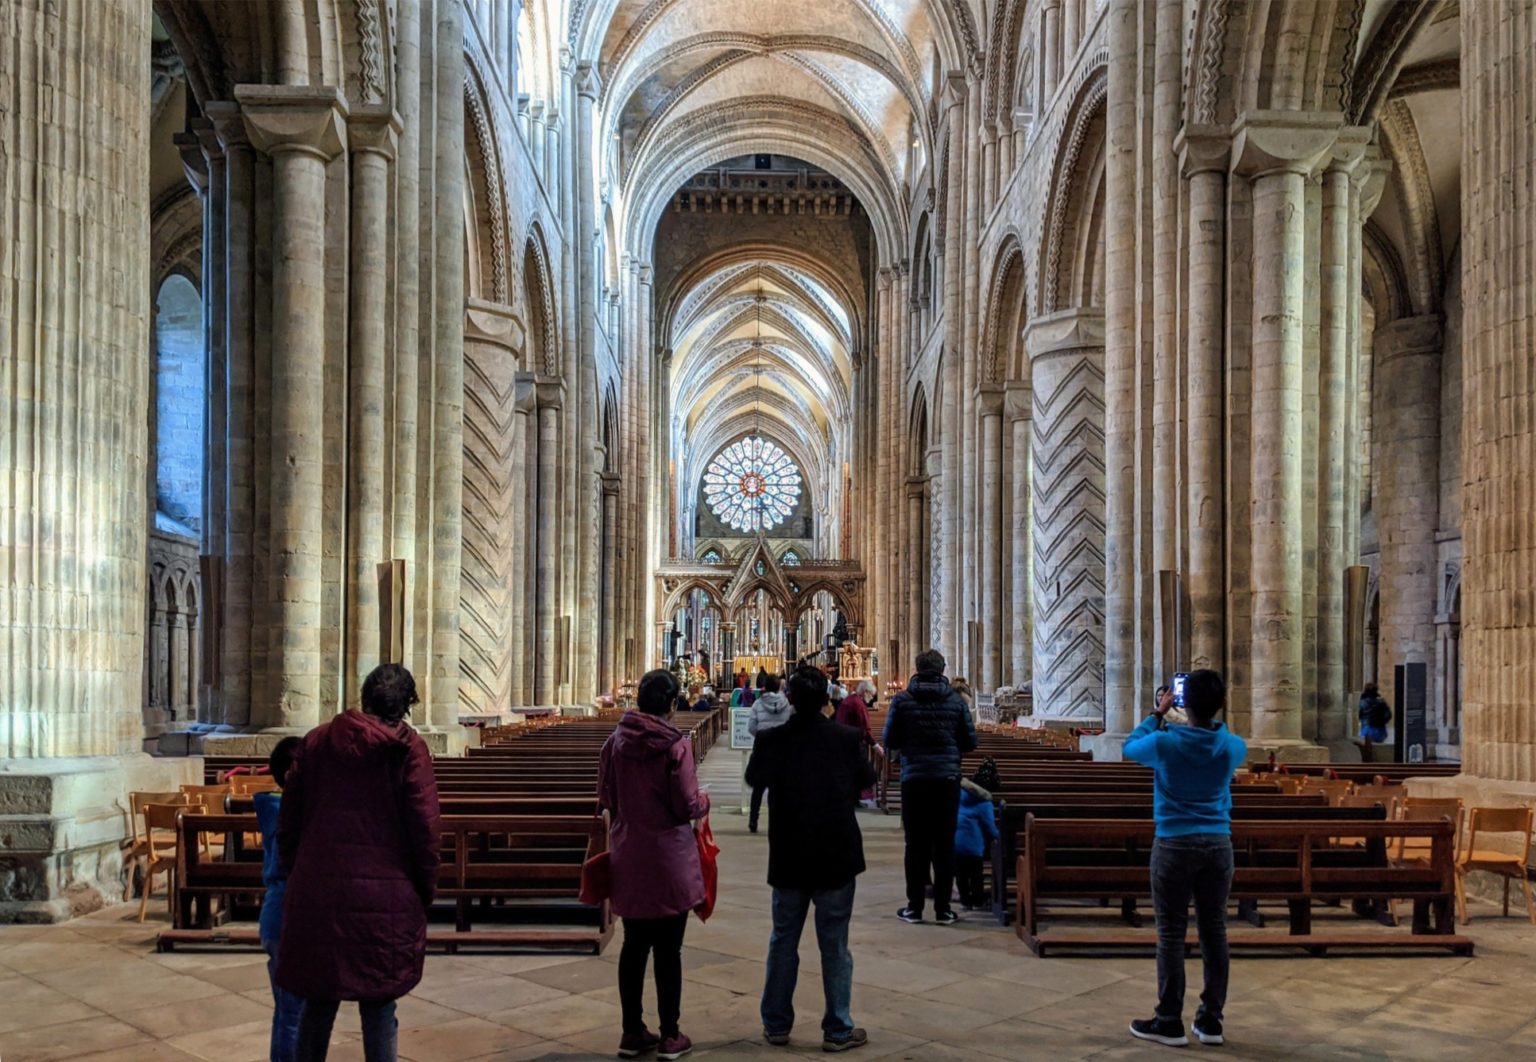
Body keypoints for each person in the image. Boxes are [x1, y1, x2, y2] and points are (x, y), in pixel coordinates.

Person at [277, 664, 441, 1062]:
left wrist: (296, 872)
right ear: (407, 705)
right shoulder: (408, 750)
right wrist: (426, 887)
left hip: (319, 891)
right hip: (387, 894)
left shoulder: (317, 741)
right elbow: (425, 828)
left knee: (319, 1001)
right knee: (380, 1004)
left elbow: (290, 818)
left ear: (364, 696)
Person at [746, 665, 876, 1052]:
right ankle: (837, 1028)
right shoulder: (845, 738)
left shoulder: (772, 741)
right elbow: (867, 779)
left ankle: (777, 1024)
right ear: (826, 700)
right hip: (836, 853)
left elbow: (755, 778)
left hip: (789, 852)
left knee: (783, 939)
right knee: (835, 944)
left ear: (789, 698)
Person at [1122, 670, 1247, 1049]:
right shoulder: (1232, 746)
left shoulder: (1165, 742)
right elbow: (1220, 739)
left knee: (1171, 933)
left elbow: (1130, 747)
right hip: (1217, 843)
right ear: (1220, 704)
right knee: (1215, 932)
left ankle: (1169, 1020)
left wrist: (1156, 713)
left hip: (1175, 843)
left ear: (1182, 703)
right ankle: (1211, 1021)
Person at [599, 668, 710, 1061]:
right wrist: (704, 803)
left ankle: (631, 1032)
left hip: (630, 852)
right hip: (667, 858)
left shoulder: (614, 743)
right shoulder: (675, 746)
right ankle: (670, 1035)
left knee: (633, 945)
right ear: (673, 704)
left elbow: (605, 795)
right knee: (669, 950)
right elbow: (687, 804)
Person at [881, 649, 978, 925]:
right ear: (942, 669)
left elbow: (889, 739)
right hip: (946, 780)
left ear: (917, 668)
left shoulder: (902, 701)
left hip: (914, 779)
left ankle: (915, 907)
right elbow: (970, 742)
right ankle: (943, 909)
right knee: (944, 845)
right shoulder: (956, 703)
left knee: (915, 844)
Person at [255, 737, 303, 1062]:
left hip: (276, 917)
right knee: (293, 1016)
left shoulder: (276, 808)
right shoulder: (289, 812)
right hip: (288, 918)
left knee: (286, 1011)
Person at [747, 674, 792, 833]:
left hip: (763, 748)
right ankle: (778, 821)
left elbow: (751, 726)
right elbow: (790, 723)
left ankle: (753, 820)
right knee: (779, 788)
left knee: (758, 788)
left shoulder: (758, 703)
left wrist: (762, 734)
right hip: (781, 749)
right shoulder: (786, 703)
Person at [954, 758, 1000, 912]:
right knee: (975, 873)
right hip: (974, 844)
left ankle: (965, 899)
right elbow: (989, 826)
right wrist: (997, 837)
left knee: (960, 873)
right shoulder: (984, 801)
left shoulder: (960, 792)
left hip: (955, 838)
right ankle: (978, 899)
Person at [835, 681, 879, 806]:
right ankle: (853, 799)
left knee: (851, 772)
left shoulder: (850, 700)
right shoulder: (858, 704)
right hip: (853, 742)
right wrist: (875, 745)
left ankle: (853, 799)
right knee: (859, 771)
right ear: (865, 692)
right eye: (871, 694)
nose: (871, 698)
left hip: (843, 740)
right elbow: (865, 727)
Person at [1358, 683, 1392, 754]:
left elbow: (1360, 714)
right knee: (1379, 751)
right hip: (1379, 729)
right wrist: (1382, 722)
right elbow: (1388, 715)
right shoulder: (1381, 701)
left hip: (1366, 729)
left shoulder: (1362, 701)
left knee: (1366, 751)